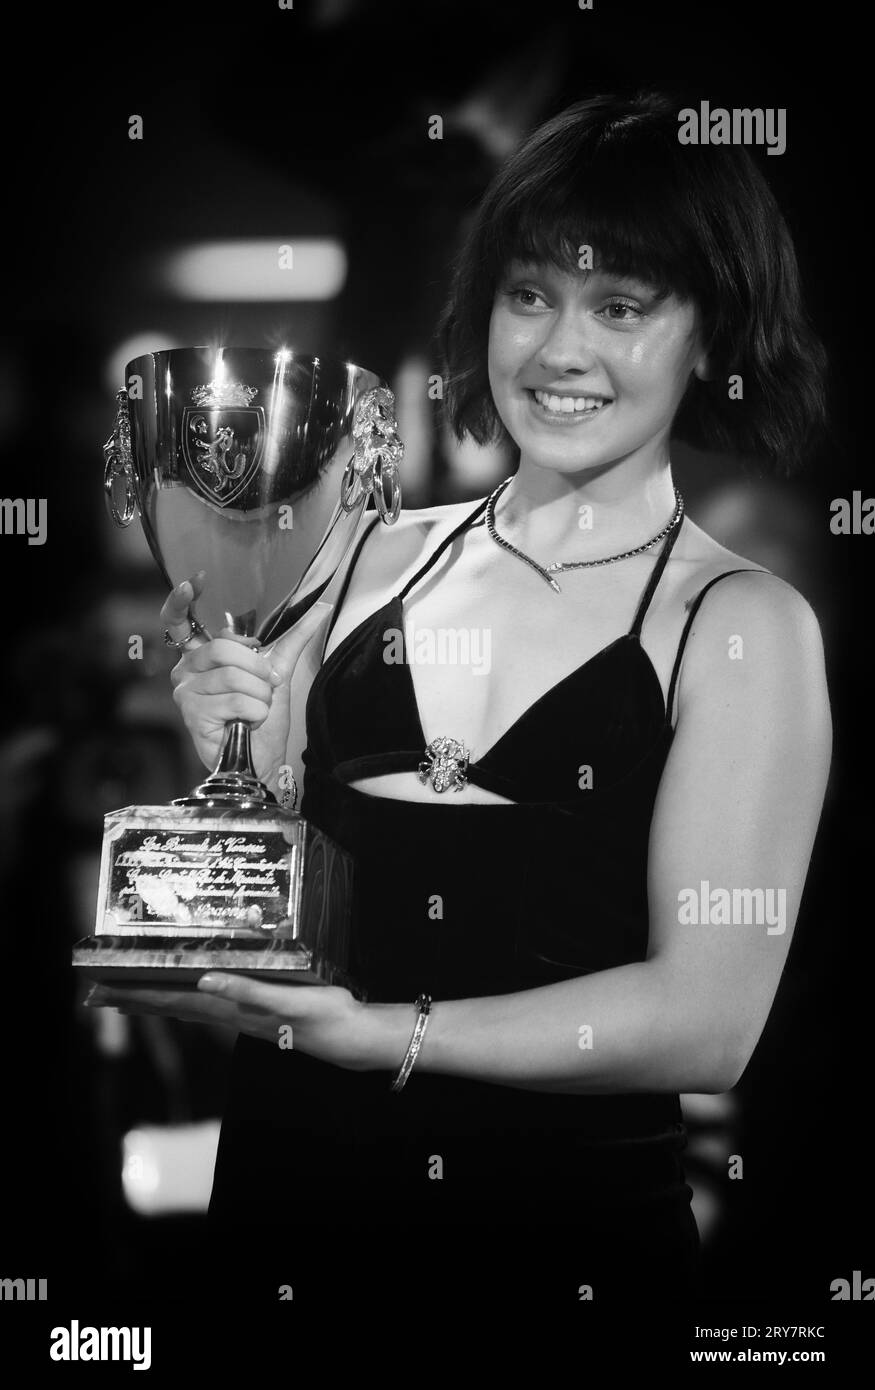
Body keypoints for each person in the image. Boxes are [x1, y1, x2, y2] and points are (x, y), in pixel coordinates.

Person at [87, 91, 832, 1305]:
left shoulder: (739, 626)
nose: (558, 350)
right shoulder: (356, 557)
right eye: (528, 295)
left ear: (711, 336)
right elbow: (294, 898)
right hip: (286, 1225)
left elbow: (704, 1021)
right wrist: (231, 745)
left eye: (622, 306)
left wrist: (383, 1037)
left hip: (557, 1256)